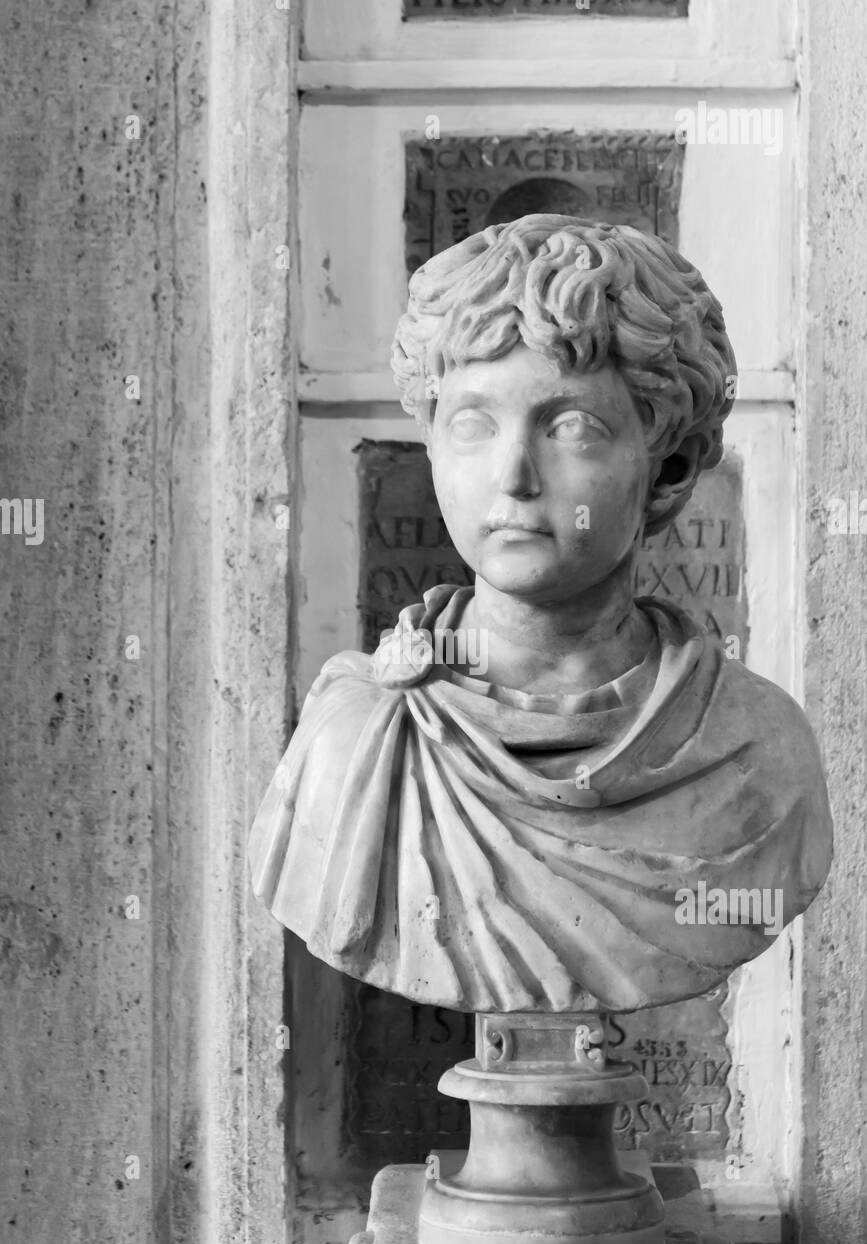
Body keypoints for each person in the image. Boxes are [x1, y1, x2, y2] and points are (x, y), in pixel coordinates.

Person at [248, 215, 832, 1014]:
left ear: (667, 472)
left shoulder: (758, 752)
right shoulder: (350, 741)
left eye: (569, 428)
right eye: (471, 425)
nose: (512, 475)